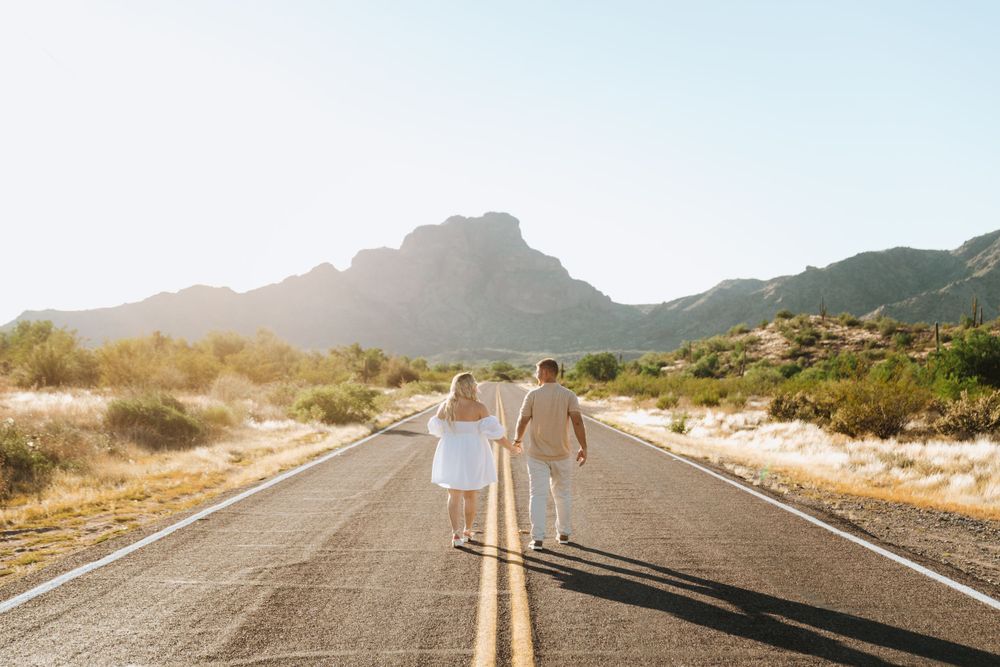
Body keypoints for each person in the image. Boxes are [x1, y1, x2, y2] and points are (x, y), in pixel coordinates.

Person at [428, 372, 522, 548]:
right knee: (470, 494)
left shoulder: (445, 407)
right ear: (471, 386)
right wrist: (512, 448)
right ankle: (467, 530)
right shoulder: (479, 407)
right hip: (473, 452)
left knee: (453, 494)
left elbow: (437, 430)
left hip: (450, 451)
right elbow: (495, 435)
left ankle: (456, 535)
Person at [513, 358, 587, 551]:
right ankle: (563, 534)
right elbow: (578, 422)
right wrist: (583, 447)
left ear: (545, 372)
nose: (536, 375)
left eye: (537, 371)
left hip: (537, 455)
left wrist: (517, 440)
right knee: (562, 494)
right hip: (561, 455)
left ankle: (537, 539)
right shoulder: (569, 395)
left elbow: (523, 420)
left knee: (537, 495)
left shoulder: (533, 395)